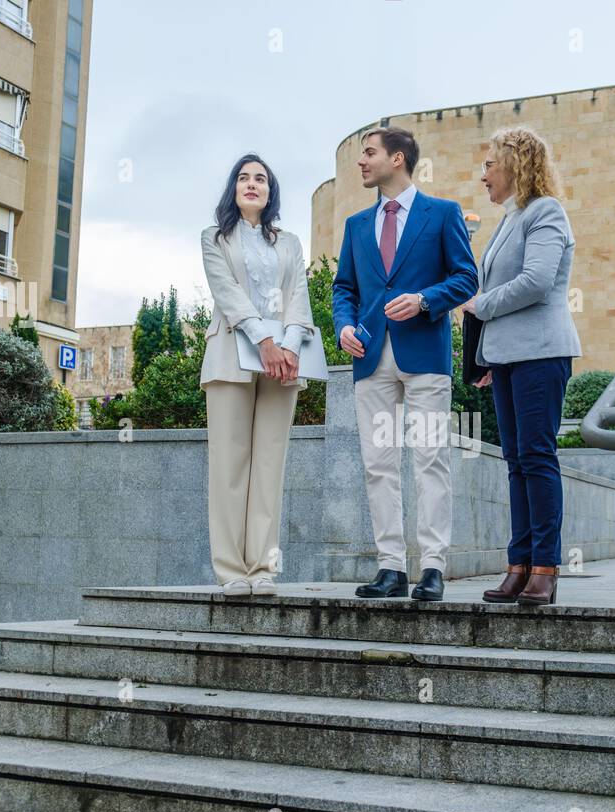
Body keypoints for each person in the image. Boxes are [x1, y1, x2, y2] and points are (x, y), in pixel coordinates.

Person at [332, 127, 478, 601]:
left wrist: (424, 300)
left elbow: (465, 278)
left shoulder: (442, 213)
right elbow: (345, 289)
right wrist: (343, 326)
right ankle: (391, 567)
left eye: (369, 153)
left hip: (426, 359)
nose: (361, 162)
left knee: (430, 459)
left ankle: (432, 566)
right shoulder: (356, 225)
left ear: (398, 159)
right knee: (379, 464)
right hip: (371, 358)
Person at [463, 126, 581, 607]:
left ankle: (545, 567)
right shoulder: (510, 219)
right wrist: (489, 354)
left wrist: (480, 307)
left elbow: (535, 282)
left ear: (514, 164)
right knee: (515, 463)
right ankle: (518, 563)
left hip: (541, 354)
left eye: (490, 164)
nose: (483, 174)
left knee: (536, 457)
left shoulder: (546, 212)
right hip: (509, 359)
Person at [199, 154, 316, 596]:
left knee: (270, 464)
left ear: (271, 192)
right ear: (233, 188)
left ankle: (263, 568)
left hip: (283, 361)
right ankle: (231, 570)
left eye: (261, 179)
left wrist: (288, 345)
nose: (252, 184)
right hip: (231, 355)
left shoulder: (289, 242)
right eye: (244, 178)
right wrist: (264, 341)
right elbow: (226, 292)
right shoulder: (214, 238)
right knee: (230, 465)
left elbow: (298, 296)